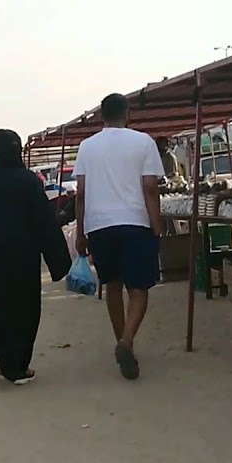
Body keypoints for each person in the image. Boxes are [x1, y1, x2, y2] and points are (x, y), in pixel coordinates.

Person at [0, 130, 71, 384]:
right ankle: (17, 365)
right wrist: (58, 260)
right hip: (22, 258)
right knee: (24, 309)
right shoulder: (27, 181)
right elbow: (43, 222)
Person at [73, 93, 162, 380]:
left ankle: (124, 343)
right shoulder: (144, 142)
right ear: (128, 114)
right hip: (135, 222)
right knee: (138, 289)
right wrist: (156, 223)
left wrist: (81, 231)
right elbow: (150, 188)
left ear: (101, 116)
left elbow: (81, 193)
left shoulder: (87, 147)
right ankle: (126, 341)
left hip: (99, 225)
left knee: (112, 284)